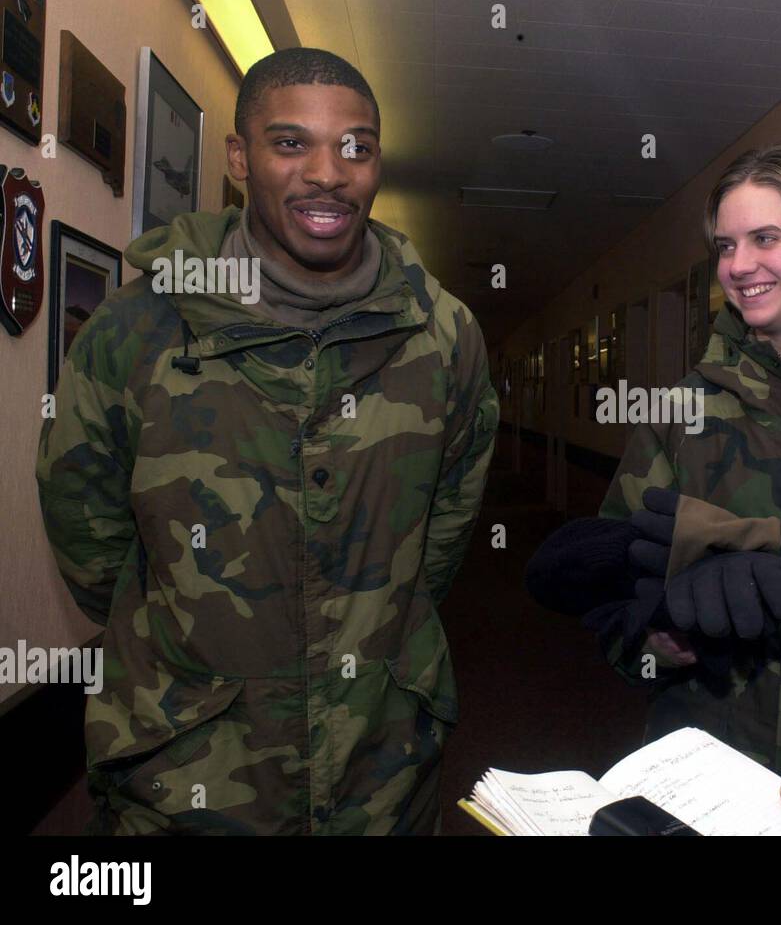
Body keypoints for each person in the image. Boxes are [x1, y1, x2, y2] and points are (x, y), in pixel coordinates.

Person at [36, 48, 498, 835]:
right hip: (191, 773)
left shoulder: (444, 334)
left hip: (379, 767)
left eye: (356, 146)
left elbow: (440, 537)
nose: (329, 172)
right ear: (240, 159)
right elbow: (90, 537)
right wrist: (200, 633)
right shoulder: (138, 328)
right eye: (292, 144)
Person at [527, 140, 781, 772]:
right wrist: (661, 635)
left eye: (766, 238)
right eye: (725, 245)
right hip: (709, 767)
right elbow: (616, 607)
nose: (740, 265)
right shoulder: (679, 416)